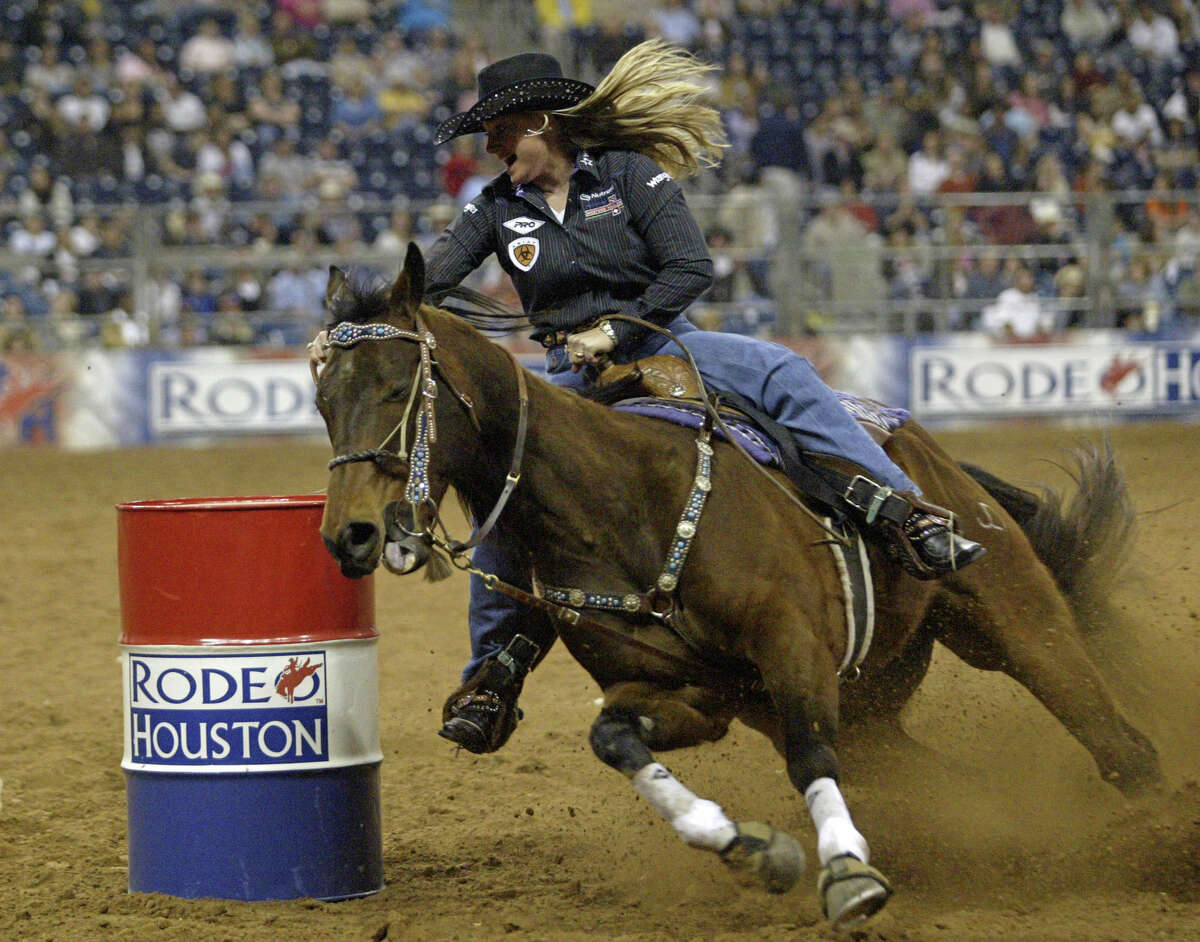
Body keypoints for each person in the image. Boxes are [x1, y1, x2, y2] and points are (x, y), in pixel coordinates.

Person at [315, 43, 984, 754]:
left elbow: (689, 265)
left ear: (540, 122)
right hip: (567, 372)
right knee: (505, 485)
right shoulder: (497, 208)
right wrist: (348, 333)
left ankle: (906, 513)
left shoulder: (630, 175)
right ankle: (493, 677)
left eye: (499, 130)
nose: (490, 147)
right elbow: (423, 284)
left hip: (667, 343)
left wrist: (615, 329)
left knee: (782, 373)